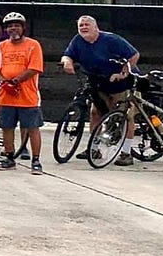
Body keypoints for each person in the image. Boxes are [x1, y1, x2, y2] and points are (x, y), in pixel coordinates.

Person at [60, 15, 140, 164]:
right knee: (95, 113)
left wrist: (122, 73)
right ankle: (94, 149)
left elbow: (134, 55)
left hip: (121, 83)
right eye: (81, 25)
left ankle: (126, 153)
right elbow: (67, 55)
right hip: (98, 82)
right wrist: (67, 63)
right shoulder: (78, 41)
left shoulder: (112, 40)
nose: (83, 27)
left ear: (96, 27)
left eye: (86, 25)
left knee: (126, 116)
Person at [0, 11, 44, 175]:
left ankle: (36, 160)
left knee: (32, 128)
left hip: (27, 96)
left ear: (23, 28)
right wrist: (3, 82)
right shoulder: (1, 46)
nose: (13, 29)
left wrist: (16, 81)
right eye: (10, 26)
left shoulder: (33, 45)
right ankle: (9, 158)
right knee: (7, 128)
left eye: (17, 25)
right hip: (6, 96)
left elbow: (34, 68)